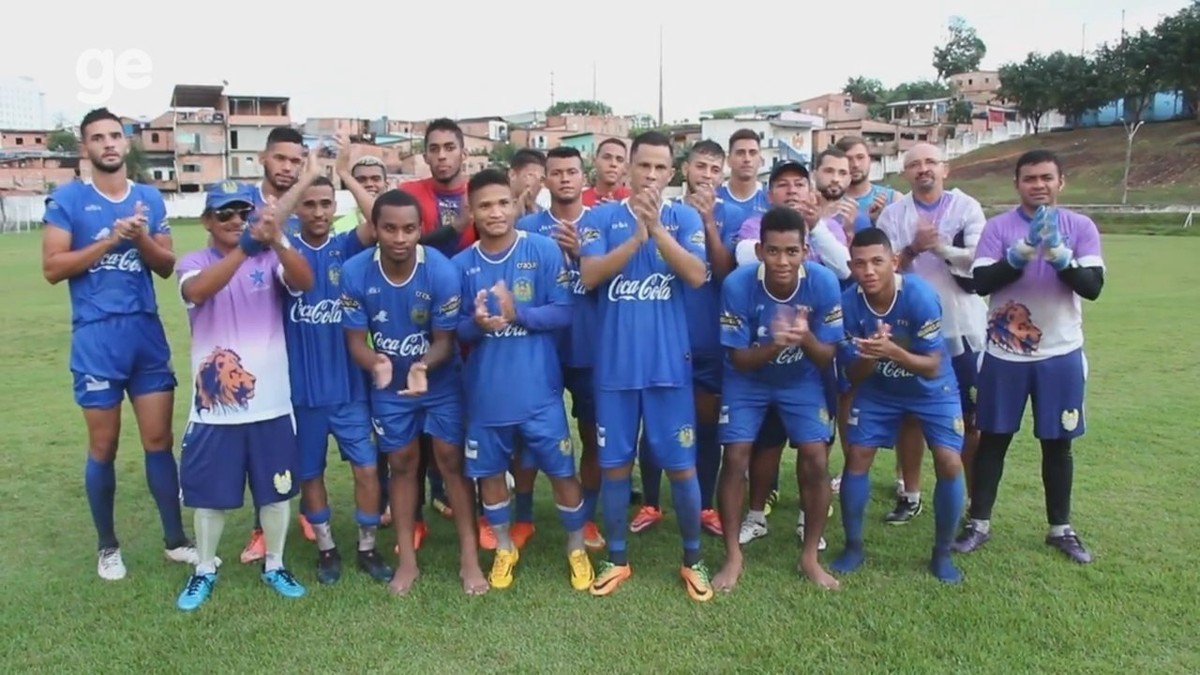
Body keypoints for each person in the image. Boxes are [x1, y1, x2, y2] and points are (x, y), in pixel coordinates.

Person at [41, 107, 196, 580]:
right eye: (97, 137)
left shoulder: (149, 196)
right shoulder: (68, 199)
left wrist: (141, 235)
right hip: (97, 339)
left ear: (126, 143)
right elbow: (53, 268)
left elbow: (167, 265)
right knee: (103, 447)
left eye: (114, 135)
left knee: (158, 441)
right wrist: (110, 239)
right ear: (85, 147)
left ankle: (175, 540)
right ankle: (107, 547)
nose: (107, 143)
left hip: (145, 336)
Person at [579, 130, 712, 601]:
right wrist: (636, 237)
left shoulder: (684, 217)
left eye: (660, 167)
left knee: (681, 468)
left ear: (671, 172)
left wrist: (656, 231)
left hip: (668, 368)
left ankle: (693, 558)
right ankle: (617, 559)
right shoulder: (599, 218)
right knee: (615, 467)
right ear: (629, 168)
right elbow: (590, 275)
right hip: (615, 370)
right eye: (644, 166)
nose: (651, 175)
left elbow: (697, 275)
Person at [954, 150, 1105, 564]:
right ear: (1016, 184)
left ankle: (1061, 529)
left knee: (1058, 444)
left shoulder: (1080, 227)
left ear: (1061, 182)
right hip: (1005, 355)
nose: (1038, 185)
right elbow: (982, 282)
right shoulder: (999, 228)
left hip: (1060, 352)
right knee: (993, 441)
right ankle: (978, 523)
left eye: (1046, 178)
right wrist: (1020, 252)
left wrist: (1059, 254)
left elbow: (1092, 286)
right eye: (1029, 178)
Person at [174, 182, 315, 611]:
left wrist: (278, 239)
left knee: (275, 492)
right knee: (210, 498)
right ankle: (204, 569)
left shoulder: (270, 255)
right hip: (215, 411)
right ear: (207, 220)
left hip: (270, 402)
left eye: (243, 212)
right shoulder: (195, 261)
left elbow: (304, 281)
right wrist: (247, 247)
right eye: (225, 213)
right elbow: (198, 291)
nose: (235, 220)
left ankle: (274, 563)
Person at [339, 188, 487, 595]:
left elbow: (445, 340)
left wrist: (422, 366)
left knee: (450, 461)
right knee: (401, 464)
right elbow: (355, 343)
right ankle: (407, 560)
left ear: (421, 230)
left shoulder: (440, 271)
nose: (399, 238)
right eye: (389, 228)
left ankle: (469, 559)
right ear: (375, 228)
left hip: (438, 381)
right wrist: (377, 362)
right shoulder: (354, 272)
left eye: (408, 229)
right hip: (388, 384)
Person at [453, 168, 595, 591]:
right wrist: (477, 324)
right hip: (486, 397)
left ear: (516, 205)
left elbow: (565, 313)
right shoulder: (461, 266)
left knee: (562, 473)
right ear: (472, 211)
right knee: (491, 475)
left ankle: (576, 549)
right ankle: (502, 547)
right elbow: (453, 331)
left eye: (503, 203)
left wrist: (521, 315)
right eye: (485, 205)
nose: (495, 212)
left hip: (540, 395)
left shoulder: (545, 251)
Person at [713, 207, 843, 591]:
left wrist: (803, 339)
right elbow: (738, 359)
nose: (782, 261)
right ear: (759, 250)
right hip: (747, 379)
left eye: (791, 251)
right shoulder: (738, 284)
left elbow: (827, 357)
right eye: (773, 251)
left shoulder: (822, 283)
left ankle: (809, 557)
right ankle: (733, 555)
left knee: (816, 456)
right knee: (735, 455)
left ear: (805, 250)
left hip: (800, 379)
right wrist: (774, 344)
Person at [831, 227, 967, 584]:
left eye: (877, 261)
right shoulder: (847, 305)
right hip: (880, 389)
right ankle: (854, 547)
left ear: (894, 262)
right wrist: (871, 356)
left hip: (932, 388)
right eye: (860, 264)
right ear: (851, 266)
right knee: (857, 456)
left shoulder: (920, 296)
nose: (869, 271)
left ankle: (941, 554)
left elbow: (933, 364)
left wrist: (892, 351)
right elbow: (853, 373)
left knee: (950, 461)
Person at [282, 166, 395, 584]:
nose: (317, 212)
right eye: (308, 204)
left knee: (366, 469)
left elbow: (376, 219)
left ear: (335, 207)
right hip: (304, 391)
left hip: (350, 388)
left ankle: (367, 547)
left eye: (325, 204)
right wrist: (301, 184)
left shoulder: (348, 247)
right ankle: (327, 548)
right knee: (311, 473)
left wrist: (346, 176)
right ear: (297, 210)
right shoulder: (285, 251)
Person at [631, 140, 742, 537]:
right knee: (654, 422)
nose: (707, 176)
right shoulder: (665, 211)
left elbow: (725, 270)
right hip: (663, 336)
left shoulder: (727, 214)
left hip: (708, 334)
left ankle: (707, 505)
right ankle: (650, 502)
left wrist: (710, 221)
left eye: (715, 169)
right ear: (684, 170)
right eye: (701, 167)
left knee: (706, 422)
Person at [878, 143, 987, 523]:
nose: (923, 169)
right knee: (910, 417)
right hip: (912, 331)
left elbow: (979, 256)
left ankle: (974, 504)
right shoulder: (894, 215)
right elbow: (885, 267)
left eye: (930, 162)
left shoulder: (966, 207)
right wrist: (912, 249)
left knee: (971, 419)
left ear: (946, 169)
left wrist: (938, 247)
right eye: (914, 164)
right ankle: (910, 493)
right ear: (905, 173)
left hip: (963, 329)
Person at [515, 146, 606, 551]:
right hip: (541, 349)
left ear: (584, 177)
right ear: (545, 179)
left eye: (572, 171)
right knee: (529, 437)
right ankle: (522, 517)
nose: (565, 179)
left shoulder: (603, 223)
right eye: (557, 172)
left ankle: (586, 519)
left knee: (591, 434)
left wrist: (581, 255)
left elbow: (613, 283)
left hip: (591, 348)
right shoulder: (529, 227)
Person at [240, 126, 311, 563]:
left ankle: (304, 508)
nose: (288, 168)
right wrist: (309, 178)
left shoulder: (311, 206)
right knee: (261, 436)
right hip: (256, 334)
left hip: (301, 329)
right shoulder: (242, 199)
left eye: (296, 162)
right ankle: (259, 529)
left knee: (299, 431)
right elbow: (259, 232)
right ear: (264, 158)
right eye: (281, 159)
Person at [401, 118, 478, 257]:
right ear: (425, 157)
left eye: (449, 148)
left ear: (464, 154)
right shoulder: (408, 193)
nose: (441, 156)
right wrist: (457, 226)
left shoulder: (479, 193)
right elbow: (404, 245)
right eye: (434, 149)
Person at [835, 136, 900, 228]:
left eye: (860, 157)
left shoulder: (892, 199)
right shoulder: (829, 202)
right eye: (848, 159)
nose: (855, 165)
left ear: (869, 160)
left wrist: (882, 220)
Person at [716, 129, 770, 214]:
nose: (747, 159)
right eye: (740, 153)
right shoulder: (714, 197)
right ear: (728, 160)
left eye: (752, 153)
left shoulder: (770, 199)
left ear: (760, 160)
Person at [581, 138, 631, 206]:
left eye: (619, 160)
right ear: (595, 161)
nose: (613, 164)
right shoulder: (579, 201)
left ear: (625, 166)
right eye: (607, 157)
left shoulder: (633, 201)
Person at [509, 148, 547, 219]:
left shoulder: (542, 213)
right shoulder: (498, 209)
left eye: (542, 179)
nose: (539, 184)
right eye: (531, 176)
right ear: (512, 175)